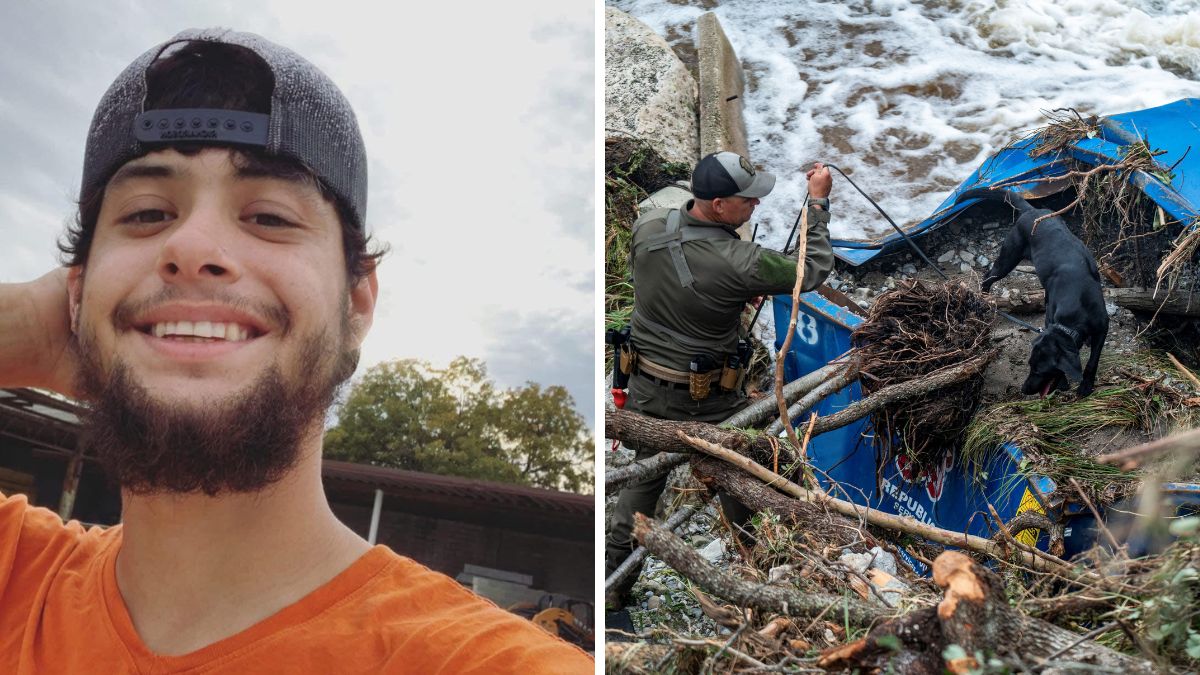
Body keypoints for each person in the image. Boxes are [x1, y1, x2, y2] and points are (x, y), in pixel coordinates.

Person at [0, 28, 592, 673]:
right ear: (76, 294)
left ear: (357, 304)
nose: (194, 247)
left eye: (270, 217)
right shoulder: (16, 577)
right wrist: (23, 329)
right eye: (146, 213)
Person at [605, 151, 834, 606]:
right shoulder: (739, 260)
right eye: (746, 200)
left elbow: (683, 278)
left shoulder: (649, 226)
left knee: (641, 486)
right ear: (716, 206)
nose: (755, 206)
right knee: (746, 463)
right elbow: (811, 271)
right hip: (708, 399)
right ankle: (757, 574)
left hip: (646, 387)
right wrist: (818, 204)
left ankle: (611, 589)